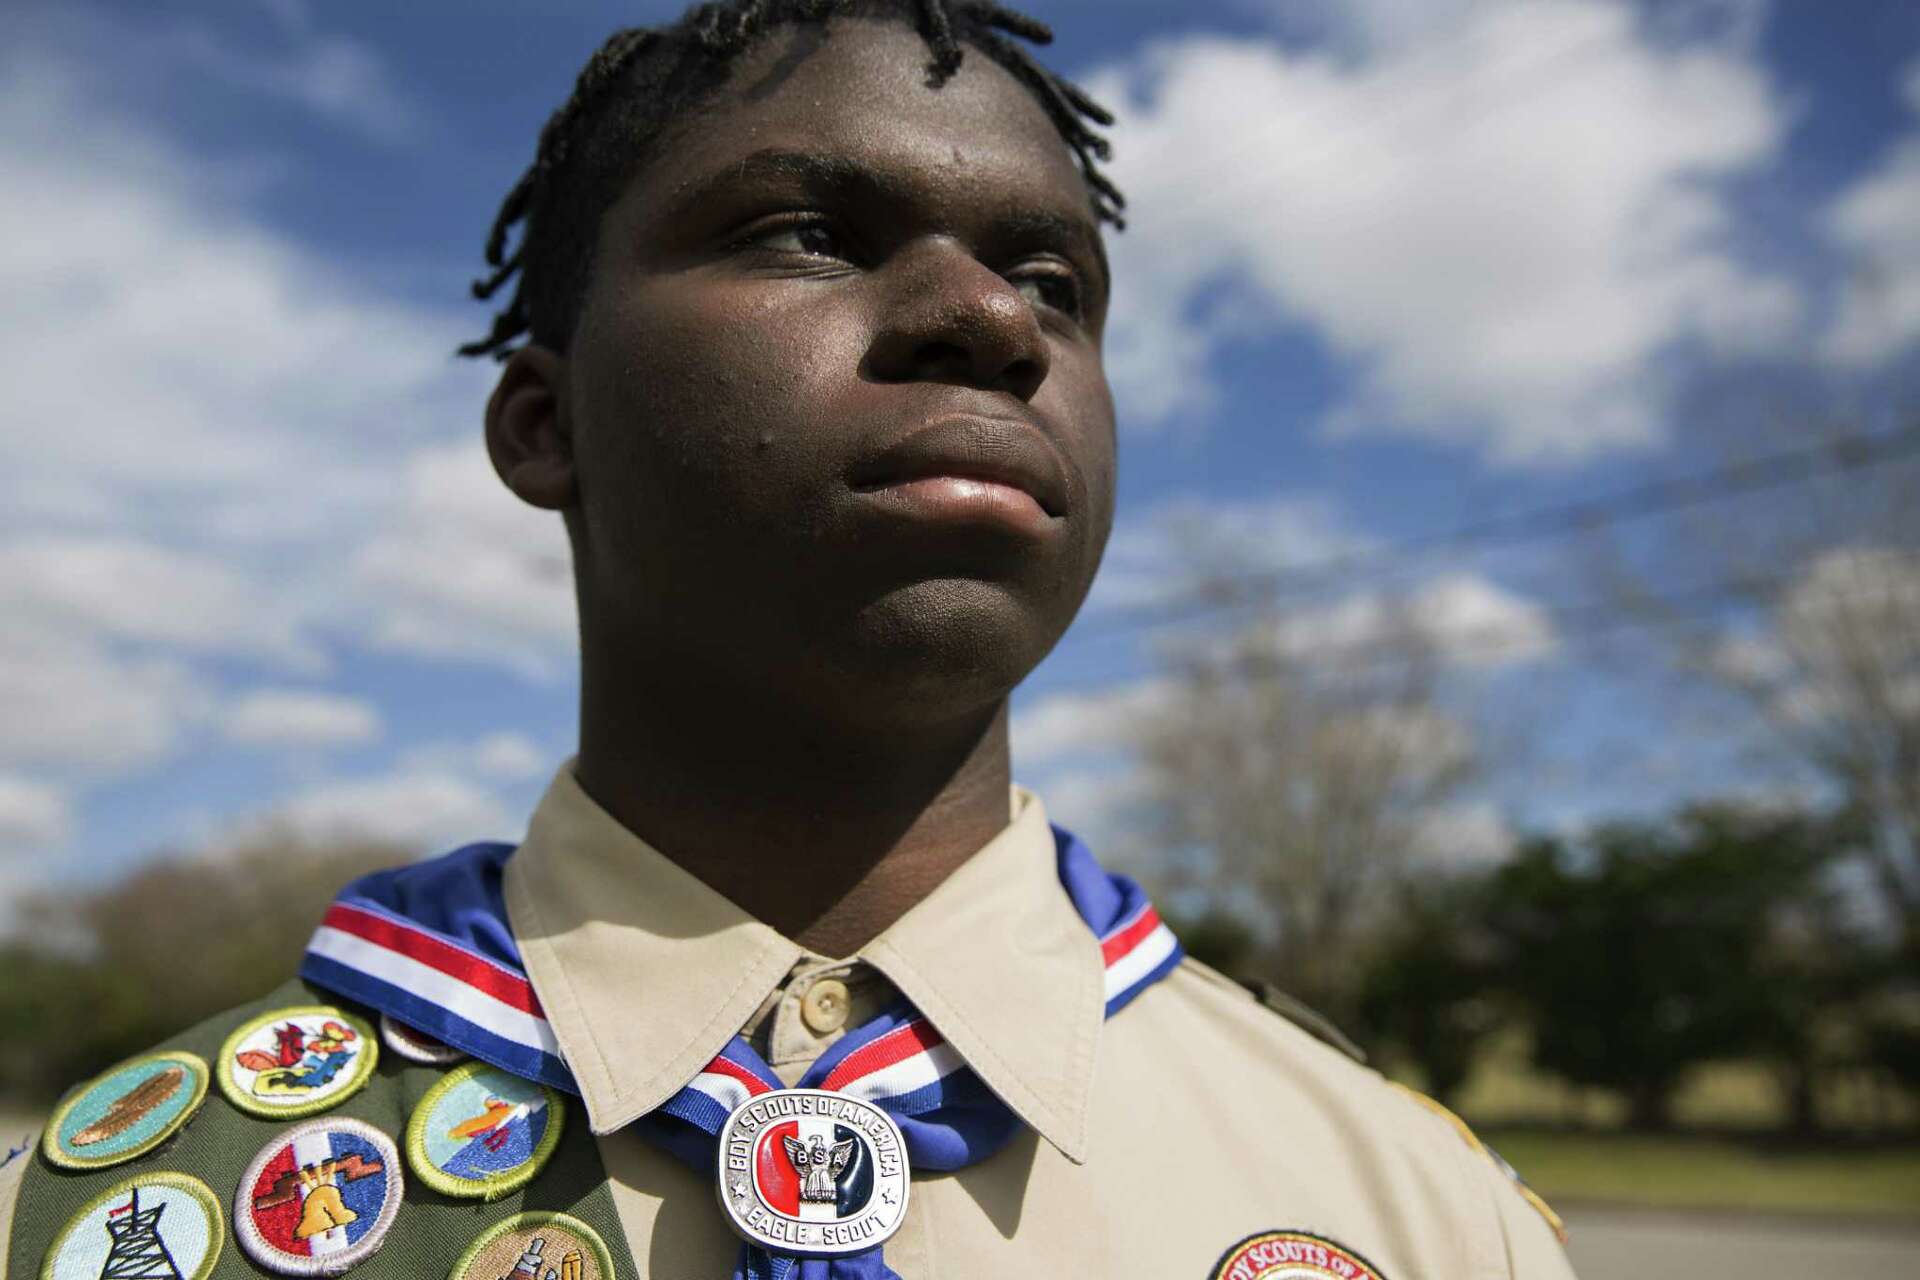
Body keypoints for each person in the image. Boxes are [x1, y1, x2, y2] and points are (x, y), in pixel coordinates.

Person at [1, 3, 1579, 1277]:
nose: (994, 321)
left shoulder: (1426, 1221)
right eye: (809, 233)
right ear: (545, 425)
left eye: (1054, 280)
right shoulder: (111, 1226)